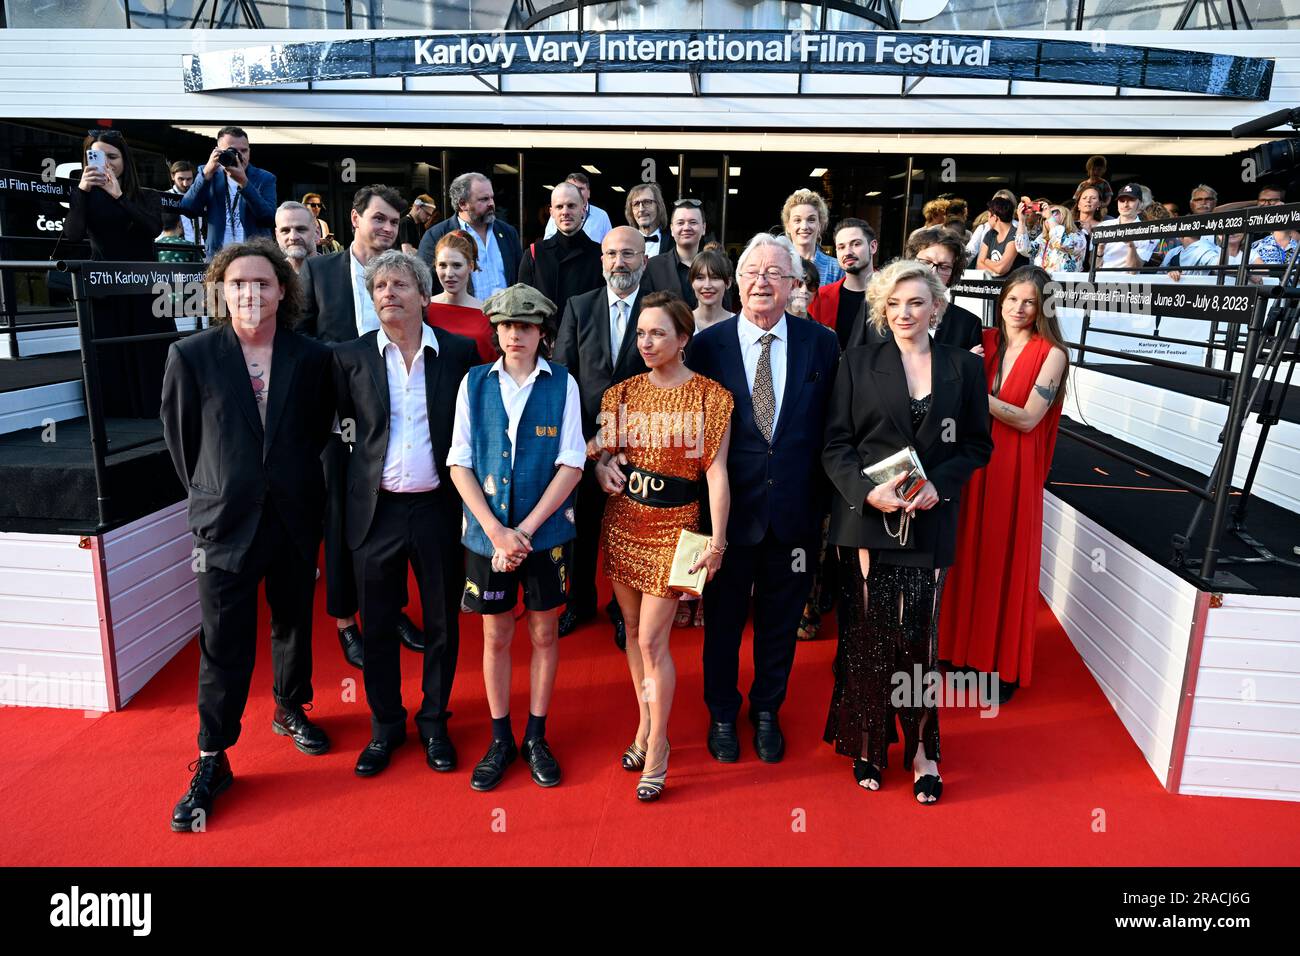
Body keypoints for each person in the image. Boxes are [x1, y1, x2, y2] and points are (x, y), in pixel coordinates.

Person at [162, 238, 335, 832]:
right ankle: (213, 757)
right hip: (223, 527)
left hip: (292, 518)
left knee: (293, 622)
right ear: (220, 291)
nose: (250, 293)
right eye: (238, 284)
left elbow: (319, 435)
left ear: (282, 291)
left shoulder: (311, 358)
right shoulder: (192, 356)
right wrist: (219, 491)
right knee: (223, 641)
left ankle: (290, 707)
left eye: (262, 283)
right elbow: (184, 446)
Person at [822, 259, 992, 802]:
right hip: (867, 517)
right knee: (871, 636)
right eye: (893, 304)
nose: (903, 313)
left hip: (931, 517)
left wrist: (940, 484)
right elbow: (835, 445)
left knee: (919, 638)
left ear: (936, 307)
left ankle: (923, 749)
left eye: (915, 302)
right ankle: (870, 742)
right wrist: (865, 491)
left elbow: (976, 445)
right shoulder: (856, 362)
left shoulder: (962, 369)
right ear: (880, 309)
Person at [688, 233, 840, 764]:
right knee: (723, 623)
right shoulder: (706, 347)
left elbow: (833, 429)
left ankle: (768, 708)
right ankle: (723, 713)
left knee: (781, 622)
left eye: (775, 273)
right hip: (727, 520)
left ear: (794, 284)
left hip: (795, 516)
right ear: (736, 280)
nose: (762, 282)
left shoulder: (821, 343)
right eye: (753, 271)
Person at [332, 250, 478, 777]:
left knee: (442, 622)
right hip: (375, 512)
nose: (387, 294)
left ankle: (435, 721)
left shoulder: (460, 354)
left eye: (398, 284)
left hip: (439, 507)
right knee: (378, 629)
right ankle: (386, 726)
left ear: (422, 293)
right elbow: (341, 434)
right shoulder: (349, 357)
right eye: (379, 287)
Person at [594, 291, 733, 800]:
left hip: (683, 529)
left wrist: (717, 542)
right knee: (631, 631)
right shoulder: (621, 395)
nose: (646, 342)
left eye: (657, 333)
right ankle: (643, 724)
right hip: (625, 522)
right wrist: (601, 466)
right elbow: (605, 456)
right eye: (640, 333)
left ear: (683, 338)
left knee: (654, 641)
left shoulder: (711, 397)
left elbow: (716, 476)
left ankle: (658, 744)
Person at [448, 283, 585, 791]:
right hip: (486, 538)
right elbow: (459, 461)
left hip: (545, 535)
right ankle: (500, 737)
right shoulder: (474, 383)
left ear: (541, 332)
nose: (514, 335)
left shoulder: (563, 384)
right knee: (495, 633)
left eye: (525, 326)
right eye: (506, 326)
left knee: (545, 633)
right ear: (496, 331)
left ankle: (536, 735)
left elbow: (572, 463)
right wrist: (494, 531)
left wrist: (521, 533)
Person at [298, 185, 423, 668]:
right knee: (341, 517)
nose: (387, 228)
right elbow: (302, 336)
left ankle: (388, 612)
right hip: (338, 420)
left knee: (387, 518)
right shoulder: (320, 270)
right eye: (379, 219)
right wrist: (344, 362)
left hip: (393, 415)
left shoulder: (402, 274)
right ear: (355, 219)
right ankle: (346, 622)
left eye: (394, 221)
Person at [939, 266, 1070, 705]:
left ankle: (999, 664)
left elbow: (1029, 417)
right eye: (1013, 298)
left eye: (1029, 301)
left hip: (1015, 466)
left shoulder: (1051, 353)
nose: (1019, 308)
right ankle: (957, 652)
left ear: (1042, 307)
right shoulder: (985, 340)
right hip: (975, 460)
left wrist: (974, 388)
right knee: (967, 551)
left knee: (1004, 556)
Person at [552, 226, 651, 644]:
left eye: (628, 254)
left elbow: (662, 379)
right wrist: (589, 443)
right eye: (611, 254)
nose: (618, 263)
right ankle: (578, 601)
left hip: (638, 448)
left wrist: (621, 445)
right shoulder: (579, 306)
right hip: (587, 444)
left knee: (626, 533)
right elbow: (564, 376)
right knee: (583, 528)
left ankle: (621, 608)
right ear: (602, 260)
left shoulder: (657, 310)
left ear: (644, 260)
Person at [63, 128, 168, 419]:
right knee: (107, 350)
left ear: (125, 160)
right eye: (97, 156)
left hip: (142, 284)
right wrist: (82, 191)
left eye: (113, 156)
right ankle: (114, 412)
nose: (107, 163)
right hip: (105, 285)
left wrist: (119, 196)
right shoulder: (84, 196)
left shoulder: (145, 195)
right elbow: (72, 235)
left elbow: (152, 229)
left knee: (149, 349)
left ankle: (154, 407)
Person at [418, 172, 522, 301]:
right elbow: (425, 285)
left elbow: (519, 278)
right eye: (484, 199)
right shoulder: (437, 236)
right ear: (462, 204)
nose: (491, 203)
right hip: (458, 318)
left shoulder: (508, 233)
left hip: (505, 319)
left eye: (491, 198)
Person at [179, 126, 277, 259]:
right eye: (232, 151)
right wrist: (206, 174)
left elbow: (268, 218)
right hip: (218, 258)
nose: (239, 156)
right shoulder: (208, 174)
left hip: (255, 258)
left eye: (244, 150)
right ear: (218, 151)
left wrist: (244, 183)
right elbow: (188, 209)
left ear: (250, 151)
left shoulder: (264, 178)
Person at [519, 182, 605, 318]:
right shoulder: (534, 254)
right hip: (545, 337)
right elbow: (522, 304)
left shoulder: (600, 255)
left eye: (571, 206)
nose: (565, 212)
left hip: (585, 337)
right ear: (552, 213)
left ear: (583, 210)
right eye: (559, 207)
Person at [809, 217, 876, 349]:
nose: (848, 252)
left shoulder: (892, 293)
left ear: (873, 247)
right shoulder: (820, 297)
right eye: (841, 247)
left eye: (856, 244)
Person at [427, 230, 493, 362]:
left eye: (457, 265)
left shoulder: (488, 313)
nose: (449, 273)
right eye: (442, 265)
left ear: (470, 266)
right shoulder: (423, 309)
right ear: (435, 266)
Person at [644, 198, 707, 307]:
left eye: (693, 222)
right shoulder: (653, 267)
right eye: (680, 223)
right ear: (672, 229)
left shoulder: (716, 266)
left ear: (704, 228)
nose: (686, 227)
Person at [782, 188, 844, 288]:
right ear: (788, 226)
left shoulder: (836, 269)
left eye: (811, 220)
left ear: (820, 225)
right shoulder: (777, 265)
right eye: (797, 220)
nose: (804, 227)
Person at [1095, 183, 1156, 273]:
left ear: (1140, 204)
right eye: (1122, 200)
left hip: (1128, 284)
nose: (1125, 204)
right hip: (1101, 282)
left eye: (1131, 200)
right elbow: (1094, 266)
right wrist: (1100, 251)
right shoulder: (1103, 226)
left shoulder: (1148, 231)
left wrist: (1131, 246)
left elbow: (1134, 270)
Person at [1015, 203, 1087, 272]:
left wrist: (1050, 218)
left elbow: (1061, 242)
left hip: (1066, 283)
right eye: (1045, 217)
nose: (1047, 215)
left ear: (1065, 217)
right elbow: (1024, 249)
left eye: (1053, 212)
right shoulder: (1042, 239)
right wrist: (1021, 221)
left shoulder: (1077, 235)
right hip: (1043, 282)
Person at [544, 171, 613, 243]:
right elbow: (548, 243)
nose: (577, 192)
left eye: (580, 189)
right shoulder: (558, 215)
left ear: (589, 193)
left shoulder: (601, 216)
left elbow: (610, 245)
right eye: (572, 187)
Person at [976, 196, 1026, 276]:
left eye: (988, 216)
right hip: (990, 287)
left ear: (995, 218)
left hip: (1012, 286)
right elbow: (979, 265)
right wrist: (994, 271)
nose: (987, 220)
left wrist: (986, 261)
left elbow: (1001, 268)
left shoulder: (1015, 235)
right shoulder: (990, 234)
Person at [690, 244, 735, 333]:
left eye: (715, 278)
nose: (707, 285)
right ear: (692, 282)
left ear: (728, 283)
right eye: (700, 278)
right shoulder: (679, 323)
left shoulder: (739, 326)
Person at [160, 160, 200, 246]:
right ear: (172, 176)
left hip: (198, 250)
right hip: (175, 248)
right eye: (181, 179)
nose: (185, 184)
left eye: (189, 179)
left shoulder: (198, 198)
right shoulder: (165, 198)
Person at [625, 182, 668, 258]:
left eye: (647, 202)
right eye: (636, 204)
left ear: (658, 206)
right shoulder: (624, 242)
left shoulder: (674, 242)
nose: (641, 209)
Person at [273, 201, 317, 273]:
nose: (293, 237)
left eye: (301, 229)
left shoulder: (338, 271)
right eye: (285, 231)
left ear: (317, 233)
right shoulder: (269, 276)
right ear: (277, 235)